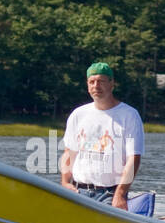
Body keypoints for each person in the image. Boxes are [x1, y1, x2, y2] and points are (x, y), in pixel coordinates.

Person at [60, 61, 144, 210]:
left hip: (109, 194)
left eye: (101, 81)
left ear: (112, 83)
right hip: (78, 191)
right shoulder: (78, 114)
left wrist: (120, 194)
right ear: (87, 84)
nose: (96, 86)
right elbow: (69, 153)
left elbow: (133, 158)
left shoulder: (129, 115)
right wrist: (65, 183)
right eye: (92, 82)